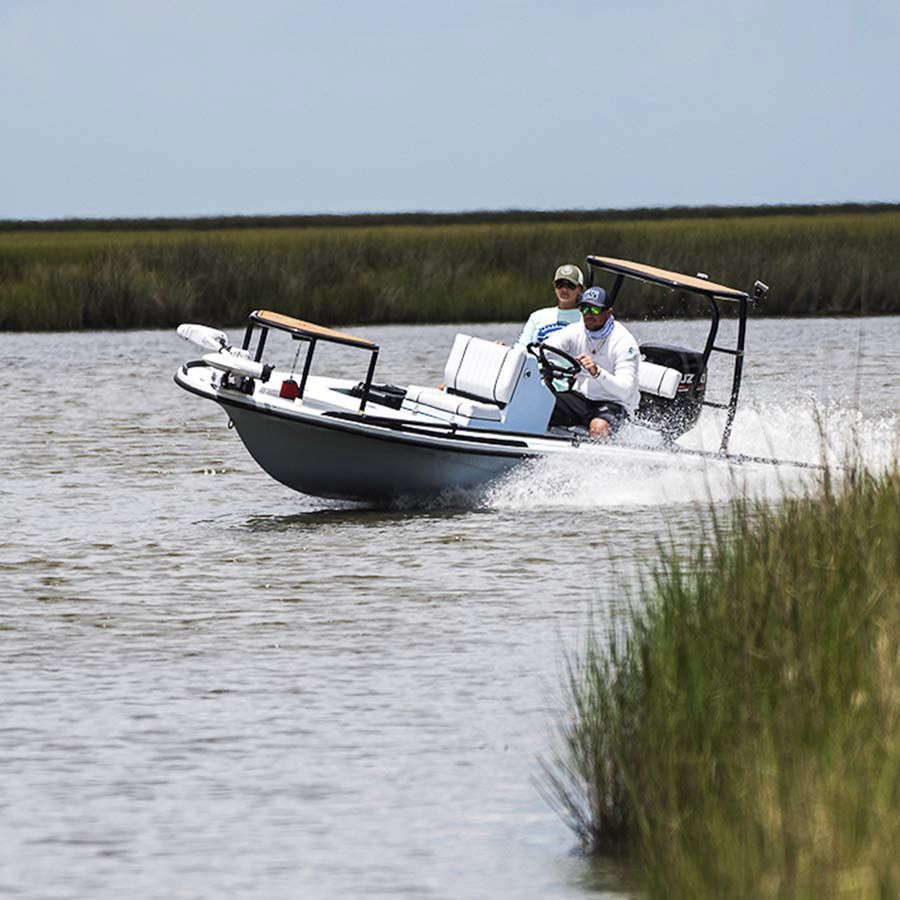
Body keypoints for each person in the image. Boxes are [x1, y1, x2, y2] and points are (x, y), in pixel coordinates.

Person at [543, 286, 640, 440]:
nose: (588, 315)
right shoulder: (575, 331)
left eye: (594, 310)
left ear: (609, 313)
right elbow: (544, 348)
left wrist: (597, 372)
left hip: (614, 403)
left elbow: (625, 390)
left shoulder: (624, 342)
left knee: (598, 427)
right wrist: (514, 352)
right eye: (584, 309)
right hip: (581, 398)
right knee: (539, 404)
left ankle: (593, 464)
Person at [514, 264, 585, 349]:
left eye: (570, 285)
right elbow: (521, 348)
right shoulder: (537, 316)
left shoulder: (585, 319)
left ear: (580, 289)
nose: (564, 290)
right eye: (560, 284)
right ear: (555, 288)